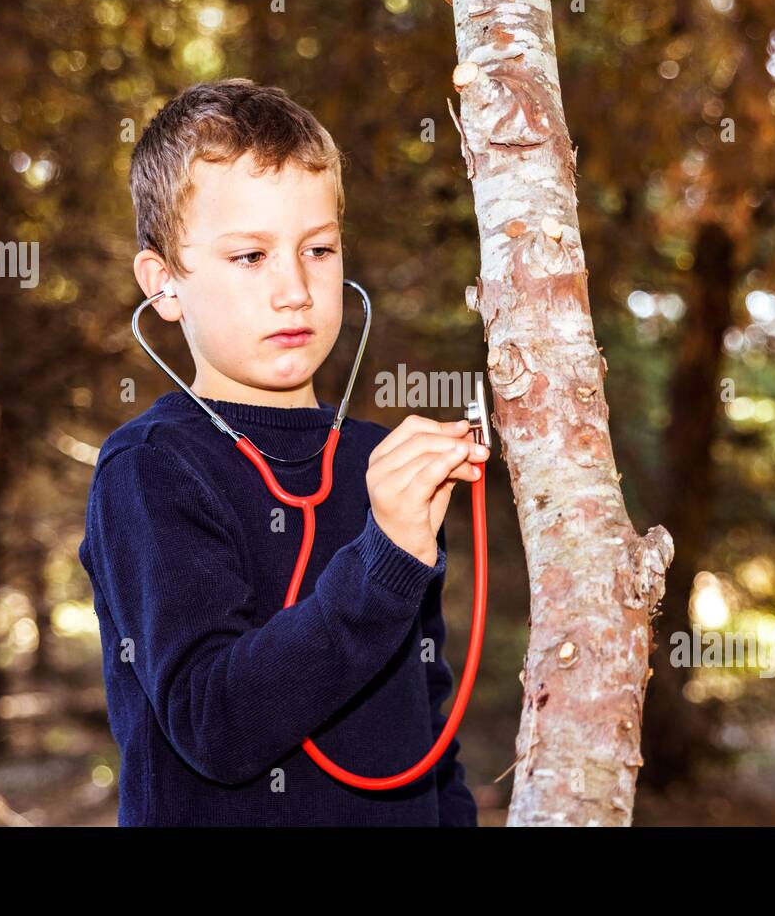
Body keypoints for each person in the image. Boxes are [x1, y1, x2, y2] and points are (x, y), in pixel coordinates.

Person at [78, 79, 487, 826]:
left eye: (318, 248)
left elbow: (428, 730)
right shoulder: (150, 467)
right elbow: (217, 724)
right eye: (249, 256)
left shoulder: (381, 466)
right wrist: (385, 558)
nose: (294, 288)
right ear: (164, 282)